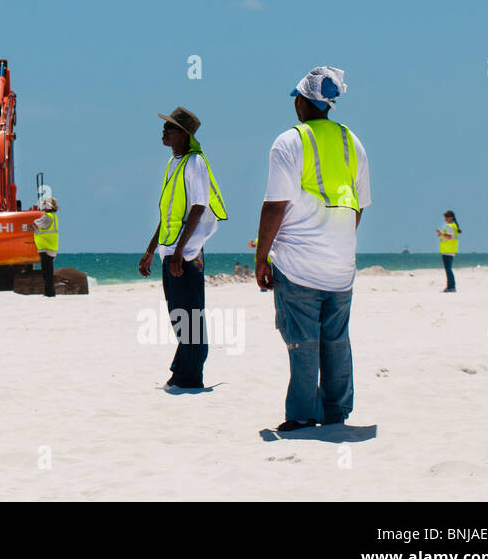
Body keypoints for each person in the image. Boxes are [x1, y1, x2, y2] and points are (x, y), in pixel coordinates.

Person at [254, 66, 371, 432]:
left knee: (302, 339)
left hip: (299, 264)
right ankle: (336, 412)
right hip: (341, 264)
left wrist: (261, 256)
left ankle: (303, 415)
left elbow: (275, 205)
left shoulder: (289, 142)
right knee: (336, 339)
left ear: (302, 102)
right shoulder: (353, 142)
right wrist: (339, 242)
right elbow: (358, 205)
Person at [137, 106, 227, 390]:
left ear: (184, 135)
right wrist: (151, 249)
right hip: (171, 252)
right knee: (179, 315)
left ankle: (191, 376)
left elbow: (199, 207)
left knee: (191, 316)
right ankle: (181, 370)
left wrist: (179, 252)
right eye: (165, 127)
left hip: (185, 254)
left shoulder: (195, 162)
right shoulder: (173, 163)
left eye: (170, 128)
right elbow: (167, 216)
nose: (164, 132)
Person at [32, 196, 59, 297]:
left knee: (46, 274)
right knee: (48, 273)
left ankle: (49, 293)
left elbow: (35, 224)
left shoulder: (47, 216)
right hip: (51, 248)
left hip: (46, 249)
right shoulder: (53, 216)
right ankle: (50, 292)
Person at [436, 210, 461, 293]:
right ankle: (450, 286)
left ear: (451, 217)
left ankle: (451, 286)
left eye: (447, 217)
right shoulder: (453, 226)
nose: (445, 218)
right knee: (448, 269)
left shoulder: (451, 226)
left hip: (448, 250)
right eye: (445, 217)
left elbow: (449, 237)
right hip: (450, 249)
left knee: (448, 269)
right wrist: (442, 234)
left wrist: (441, 233)